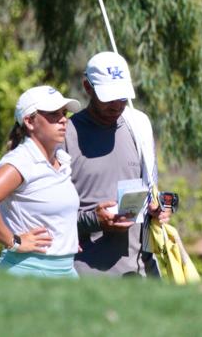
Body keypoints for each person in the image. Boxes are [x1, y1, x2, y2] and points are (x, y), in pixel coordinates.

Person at [64, 51, 170, 277]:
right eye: (109, 97)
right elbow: (48, 214)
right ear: (87, 87)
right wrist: (94, 220)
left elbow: (150, 192)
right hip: (84, 274)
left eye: (122, 96)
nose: (117, 105)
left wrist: (156, 209)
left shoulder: (139, 126)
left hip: (141, 272)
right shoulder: (66, 134)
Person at [0, 85, 82, 278]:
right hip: (28, 271)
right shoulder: (22, 161)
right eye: (53, 114)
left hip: (65, 270)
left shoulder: (61, 161)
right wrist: (14, 242)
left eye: (64, 113)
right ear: (29, 121)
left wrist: (66, 240)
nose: (63, 119)